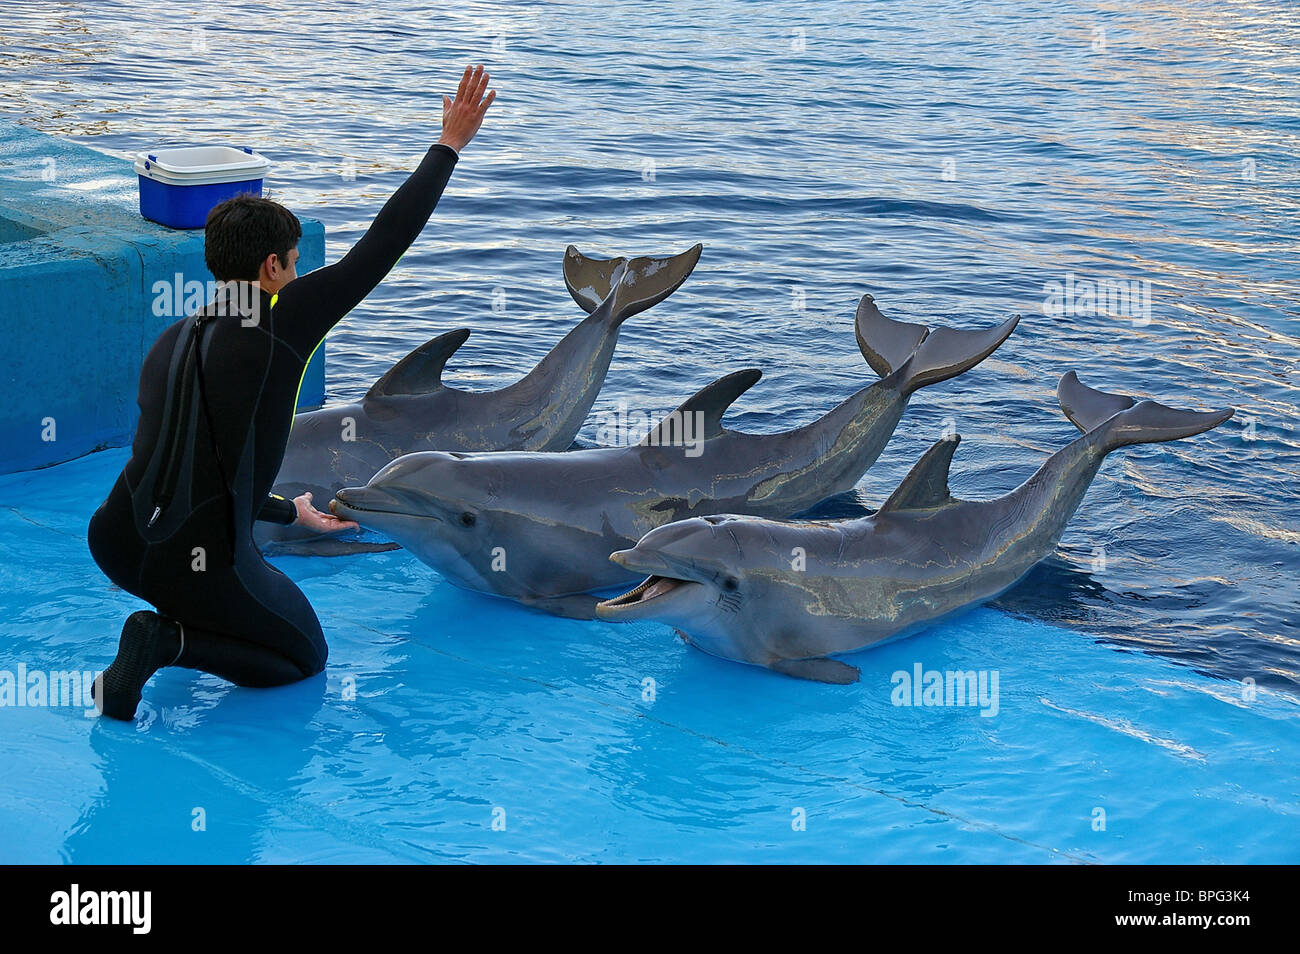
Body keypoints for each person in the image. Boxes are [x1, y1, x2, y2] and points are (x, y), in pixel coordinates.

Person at [86, 64, 496, 721]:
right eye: (296, 261)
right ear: (271, 268)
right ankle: (168, 639)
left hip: (113, 539)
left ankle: (175, 611)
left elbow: (194, 466)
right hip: (190, 561)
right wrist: (449, 145)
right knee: (303, 656)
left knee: (195, 569)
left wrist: (286, 514)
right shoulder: (280, 319)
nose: (302, 272)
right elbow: (383, 245)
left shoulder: (175, 341)